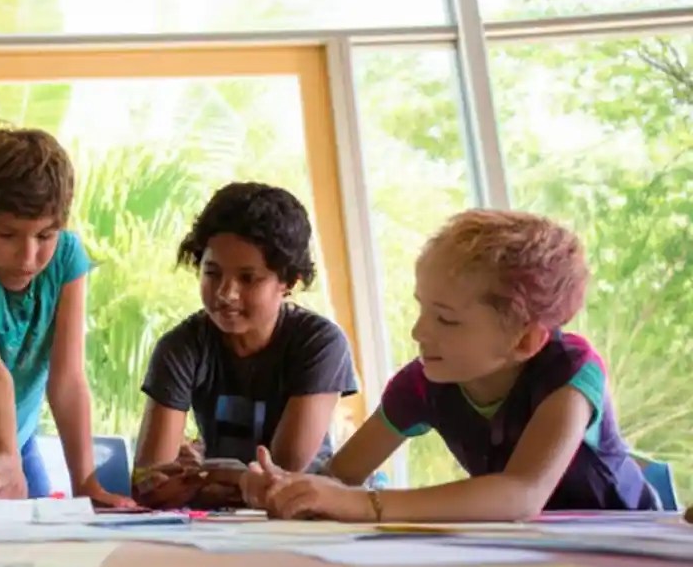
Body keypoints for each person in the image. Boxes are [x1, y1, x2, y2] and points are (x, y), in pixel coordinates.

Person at [242, 209, 659, 521]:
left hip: (627, 537)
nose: (419, 333)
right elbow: (342, 476)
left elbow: (521, 495)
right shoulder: (424, 382)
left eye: (446, 319)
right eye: (423, 310)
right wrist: (291, 489)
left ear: (526, 340)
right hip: (524, 553)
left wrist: (362, 504)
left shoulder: (568, 374)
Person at [0, 124, 133, 507]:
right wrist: (3, 457)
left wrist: (85, 484)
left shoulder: (68, 258)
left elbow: (67, 380)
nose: (27, 257)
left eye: (45, 236)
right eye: (7, 235)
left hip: (20, 448)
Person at [131, 182, 358, 509]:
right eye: (212, 273)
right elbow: (150, 484)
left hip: (302, 521)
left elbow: (281, 477)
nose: (225, 293)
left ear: (289, 282)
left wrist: (204, 477)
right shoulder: (181, 347)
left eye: (248, 278)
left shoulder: (320, 345)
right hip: (219, 525)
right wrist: (230, 481)